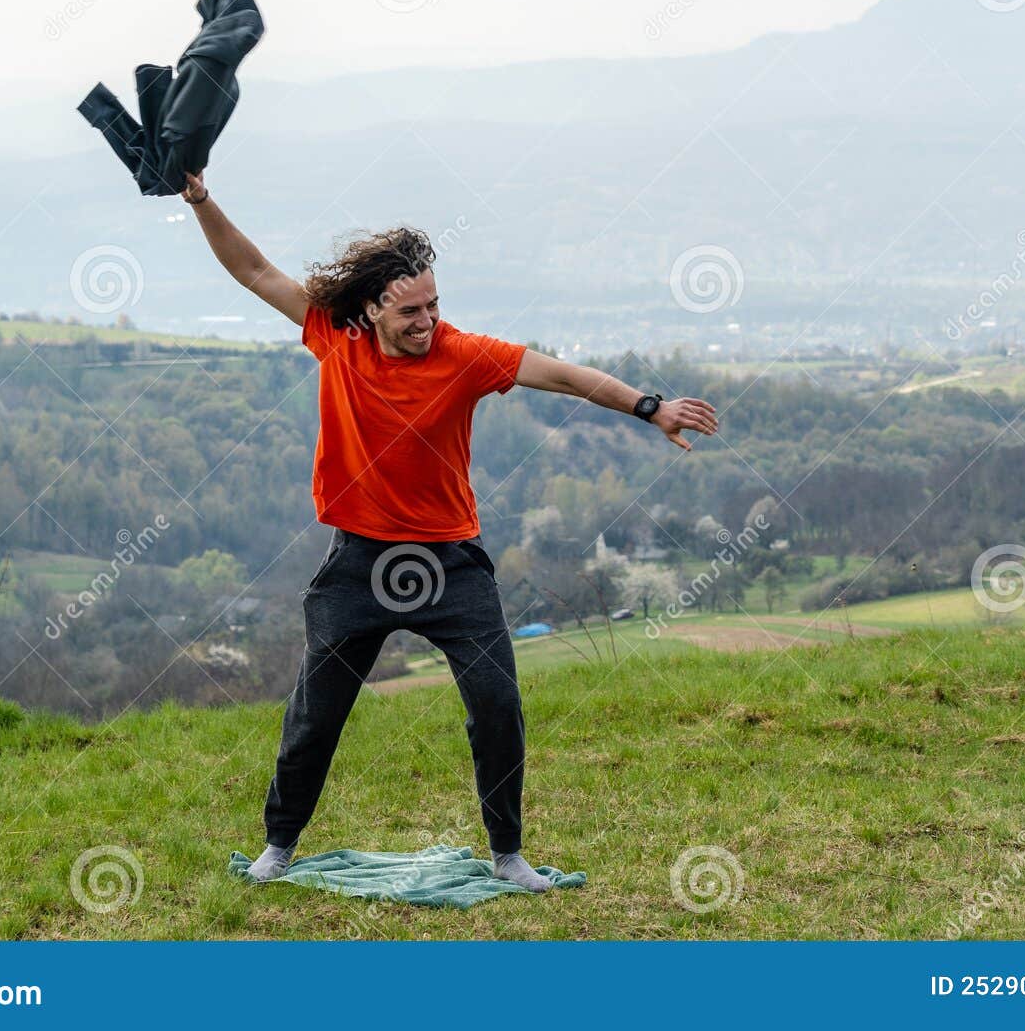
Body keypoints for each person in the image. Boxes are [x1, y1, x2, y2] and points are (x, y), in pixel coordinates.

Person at [183, 171, 719, 889]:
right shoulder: (334, 337)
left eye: (434, 303)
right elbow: (252, 269)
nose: (428, 319)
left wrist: (647, 405)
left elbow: (559, 375)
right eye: (410, 309)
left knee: (498, 703)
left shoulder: (463, 356)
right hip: (360, 561)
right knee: (316, 712)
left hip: (451, 563)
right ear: (371, 307)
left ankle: (508, 854)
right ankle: (279, 844)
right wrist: (199, 200)